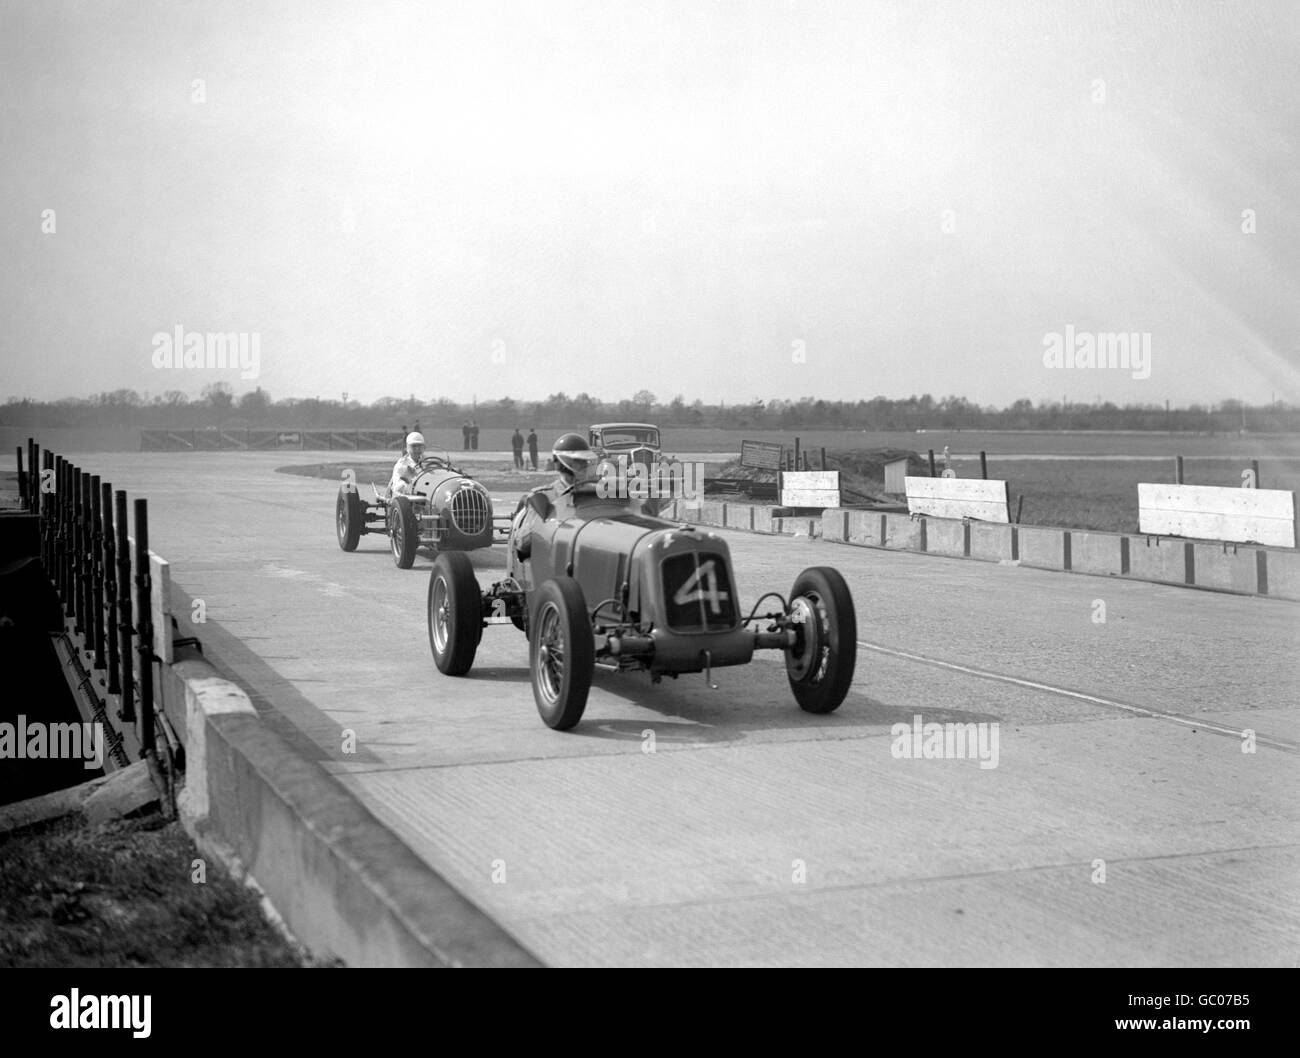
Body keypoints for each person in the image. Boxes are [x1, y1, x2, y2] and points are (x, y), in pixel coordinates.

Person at [388, 432, 427, 497]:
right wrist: (407, 478)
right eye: (414, 446)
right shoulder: (401, 465)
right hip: (411, 500)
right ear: (407, 447)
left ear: (423, 447)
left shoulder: (428, 462)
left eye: (419, 446)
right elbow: (396, 489)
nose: (417, 449)